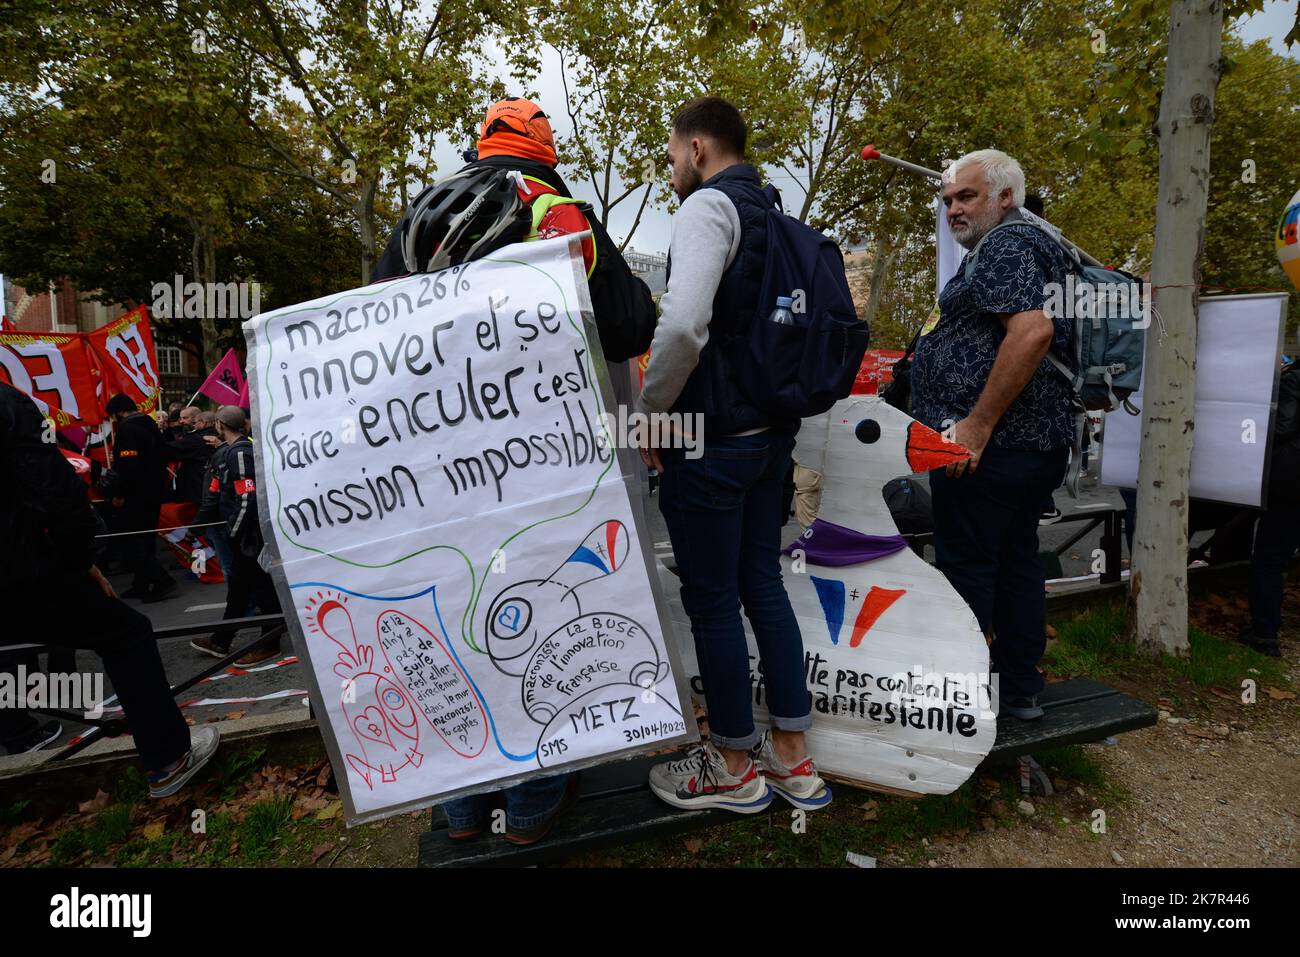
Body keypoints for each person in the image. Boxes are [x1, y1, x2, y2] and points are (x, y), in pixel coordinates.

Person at [371, 96, 656, 846]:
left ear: (481, 149)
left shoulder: (420, 215)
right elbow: (631, 324)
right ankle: (530, 807)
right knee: (535, 627)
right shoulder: (559, 210)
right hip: (538, 463)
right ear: (543, 152)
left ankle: (460, 807)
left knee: (460, 619)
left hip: (433, 469)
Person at [636, 96, 829, 814]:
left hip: (711, 443)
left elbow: (683, 327)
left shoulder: (707, 210)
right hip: (771, 439)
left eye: (671, 156)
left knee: (713, 601)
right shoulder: (774, 214)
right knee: (763, 587)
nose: (671, 171)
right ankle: (792, 757)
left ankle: (733, 764)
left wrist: (650, 417)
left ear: (697, 149)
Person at [910, 149, 1074, 721]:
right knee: (1015, 559)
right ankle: (1017, 688)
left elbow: (1031, 333)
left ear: (1005, 198)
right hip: (1033, 444)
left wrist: (975, 427)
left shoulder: (1006, 245)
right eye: (948, 199)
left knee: (969, 567)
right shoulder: (1038, 242)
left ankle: (958, 703)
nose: (953, 208)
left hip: (989, 450)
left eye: (967, 197)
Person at [0, 382, 219, 792]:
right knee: (126, 634)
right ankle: (168, 757)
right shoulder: (8, 405)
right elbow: (56, 490)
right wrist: (81, 559)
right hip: (20, 567)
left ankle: (20, 730)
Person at [190, 406, 283, 666]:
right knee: (241, 589)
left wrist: (235, 531)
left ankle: (270, 642)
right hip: (245, 533)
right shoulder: (235, 450)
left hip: (248, 535)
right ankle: (221, 640)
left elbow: (247, 497)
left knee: (261, 590)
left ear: (220, 424)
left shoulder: (239, 453)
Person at [1240, 357, 1300, 657]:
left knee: (1270, 557)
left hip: (1291, 481)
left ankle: (1265, 634)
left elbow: (1284, 427)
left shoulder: (1294, 379)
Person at [102, 394, 176, 602]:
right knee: (145, 537)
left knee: (132, 539)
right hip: (154, 490)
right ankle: (141, 583)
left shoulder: (127, 429)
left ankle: (161, 579)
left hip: (135, 494)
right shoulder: (150, 425)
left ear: (118, 412)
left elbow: (128, 466)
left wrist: (119, 493)